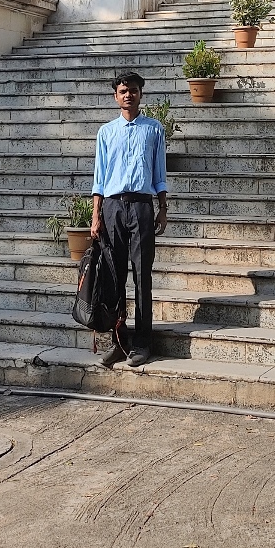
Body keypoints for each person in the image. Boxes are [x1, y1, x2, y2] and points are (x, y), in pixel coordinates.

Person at [90, 70, 167, 368]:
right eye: (123, 91)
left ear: (140, 94)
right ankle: (118, 342)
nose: (128, 95)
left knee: (142, 276)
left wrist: (162, 207)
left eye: (133, 90)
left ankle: (143, 343)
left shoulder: (154, 129)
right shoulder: (106, 132)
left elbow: (160, 173)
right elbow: (100, 177)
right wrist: (96, 216)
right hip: (112, 207)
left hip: (142, 207)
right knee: (114, 277)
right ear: (115, 96)